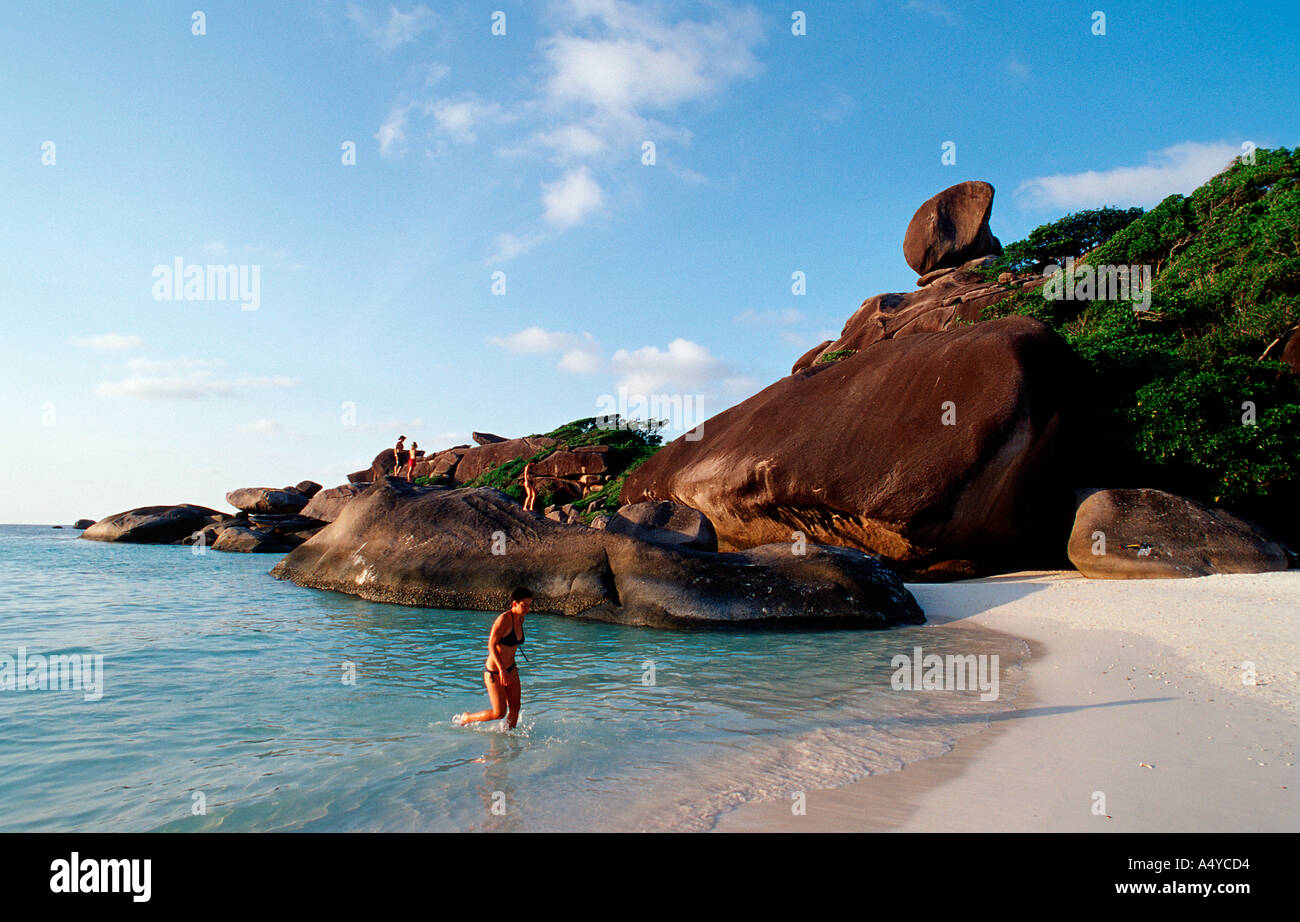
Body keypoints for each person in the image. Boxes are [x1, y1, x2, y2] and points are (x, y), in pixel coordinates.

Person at [454, 587, 532, 729]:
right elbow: (491, 645)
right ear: (515, 603)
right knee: (499, 713)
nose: (527, 609)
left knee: (515, 708)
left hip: (511, 668)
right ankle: (467, 718)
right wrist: (502, 670)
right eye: (524, 605)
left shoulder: (521, 619)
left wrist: (508, 669)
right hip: (495, 671)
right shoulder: (503, 620)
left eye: (529, 605)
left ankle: (509, 740)